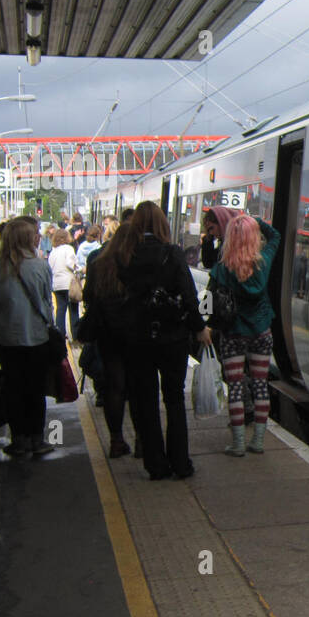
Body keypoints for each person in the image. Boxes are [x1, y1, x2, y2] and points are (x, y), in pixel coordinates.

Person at [118, 202, 211, 479]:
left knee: (145, 401)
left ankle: (155, 465)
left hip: (138, 338)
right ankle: (181, 463)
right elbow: (189, 294)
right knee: (174, 399)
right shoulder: (172, 253)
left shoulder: (125, 255)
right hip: (172, 337)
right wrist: (199, 328)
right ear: (162, 224)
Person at [207, 214, 281, 455]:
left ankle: (238, 443)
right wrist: (258, 221)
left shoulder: (221, 268)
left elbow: (207, 304)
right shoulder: (264, 261)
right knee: (260, 385)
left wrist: (205, 325)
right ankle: (258, 441)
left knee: (236, 388)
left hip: (233, 334)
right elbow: (275, 236)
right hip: (261, 331)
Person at [0, 219, 55, 457]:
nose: (38, 237)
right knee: (36, 390)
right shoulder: (40, 266)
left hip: (7, 340)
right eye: (34, 234)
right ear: (26, 238)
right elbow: (47, 303)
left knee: (13, 390)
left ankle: (19, 440)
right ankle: (37, 439)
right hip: (37, 338)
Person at [82, 217, 136, 458]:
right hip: (136, 334)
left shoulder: (99, 262)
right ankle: (143, 441)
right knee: (137, 388)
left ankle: (116, 440)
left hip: (107, 333)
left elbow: (88, 297)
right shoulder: (137, 262)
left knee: (114, 387)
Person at [48, 227, 79, 339]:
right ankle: (75, 334)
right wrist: (78, 268)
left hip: (56, 284)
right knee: (73, 309)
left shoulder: (53, 252)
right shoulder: (68, 248)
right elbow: (70, 264)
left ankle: (60, 334)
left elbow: (50, 267)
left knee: (60, 309)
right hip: (69, 283)